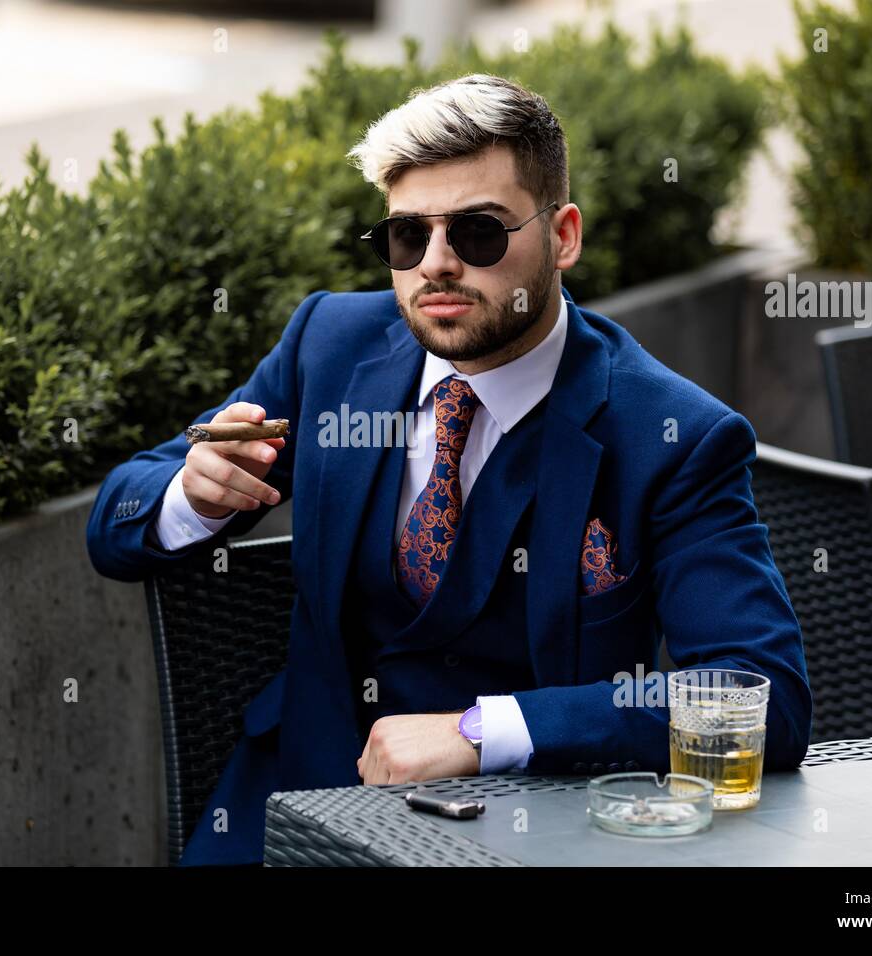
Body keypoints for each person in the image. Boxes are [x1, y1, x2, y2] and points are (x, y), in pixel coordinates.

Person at [86, 74, 813, 867]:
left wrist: (485, 731)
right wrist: (189, 497)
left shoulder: (672, 436)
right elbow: (115, 528)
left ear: (563, 235)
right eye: (407, 235)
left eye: (477, 233)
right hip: (297, 806)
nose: (435, 265)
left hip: (541, 832)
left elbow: (758, 696)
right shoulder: (330, 347)